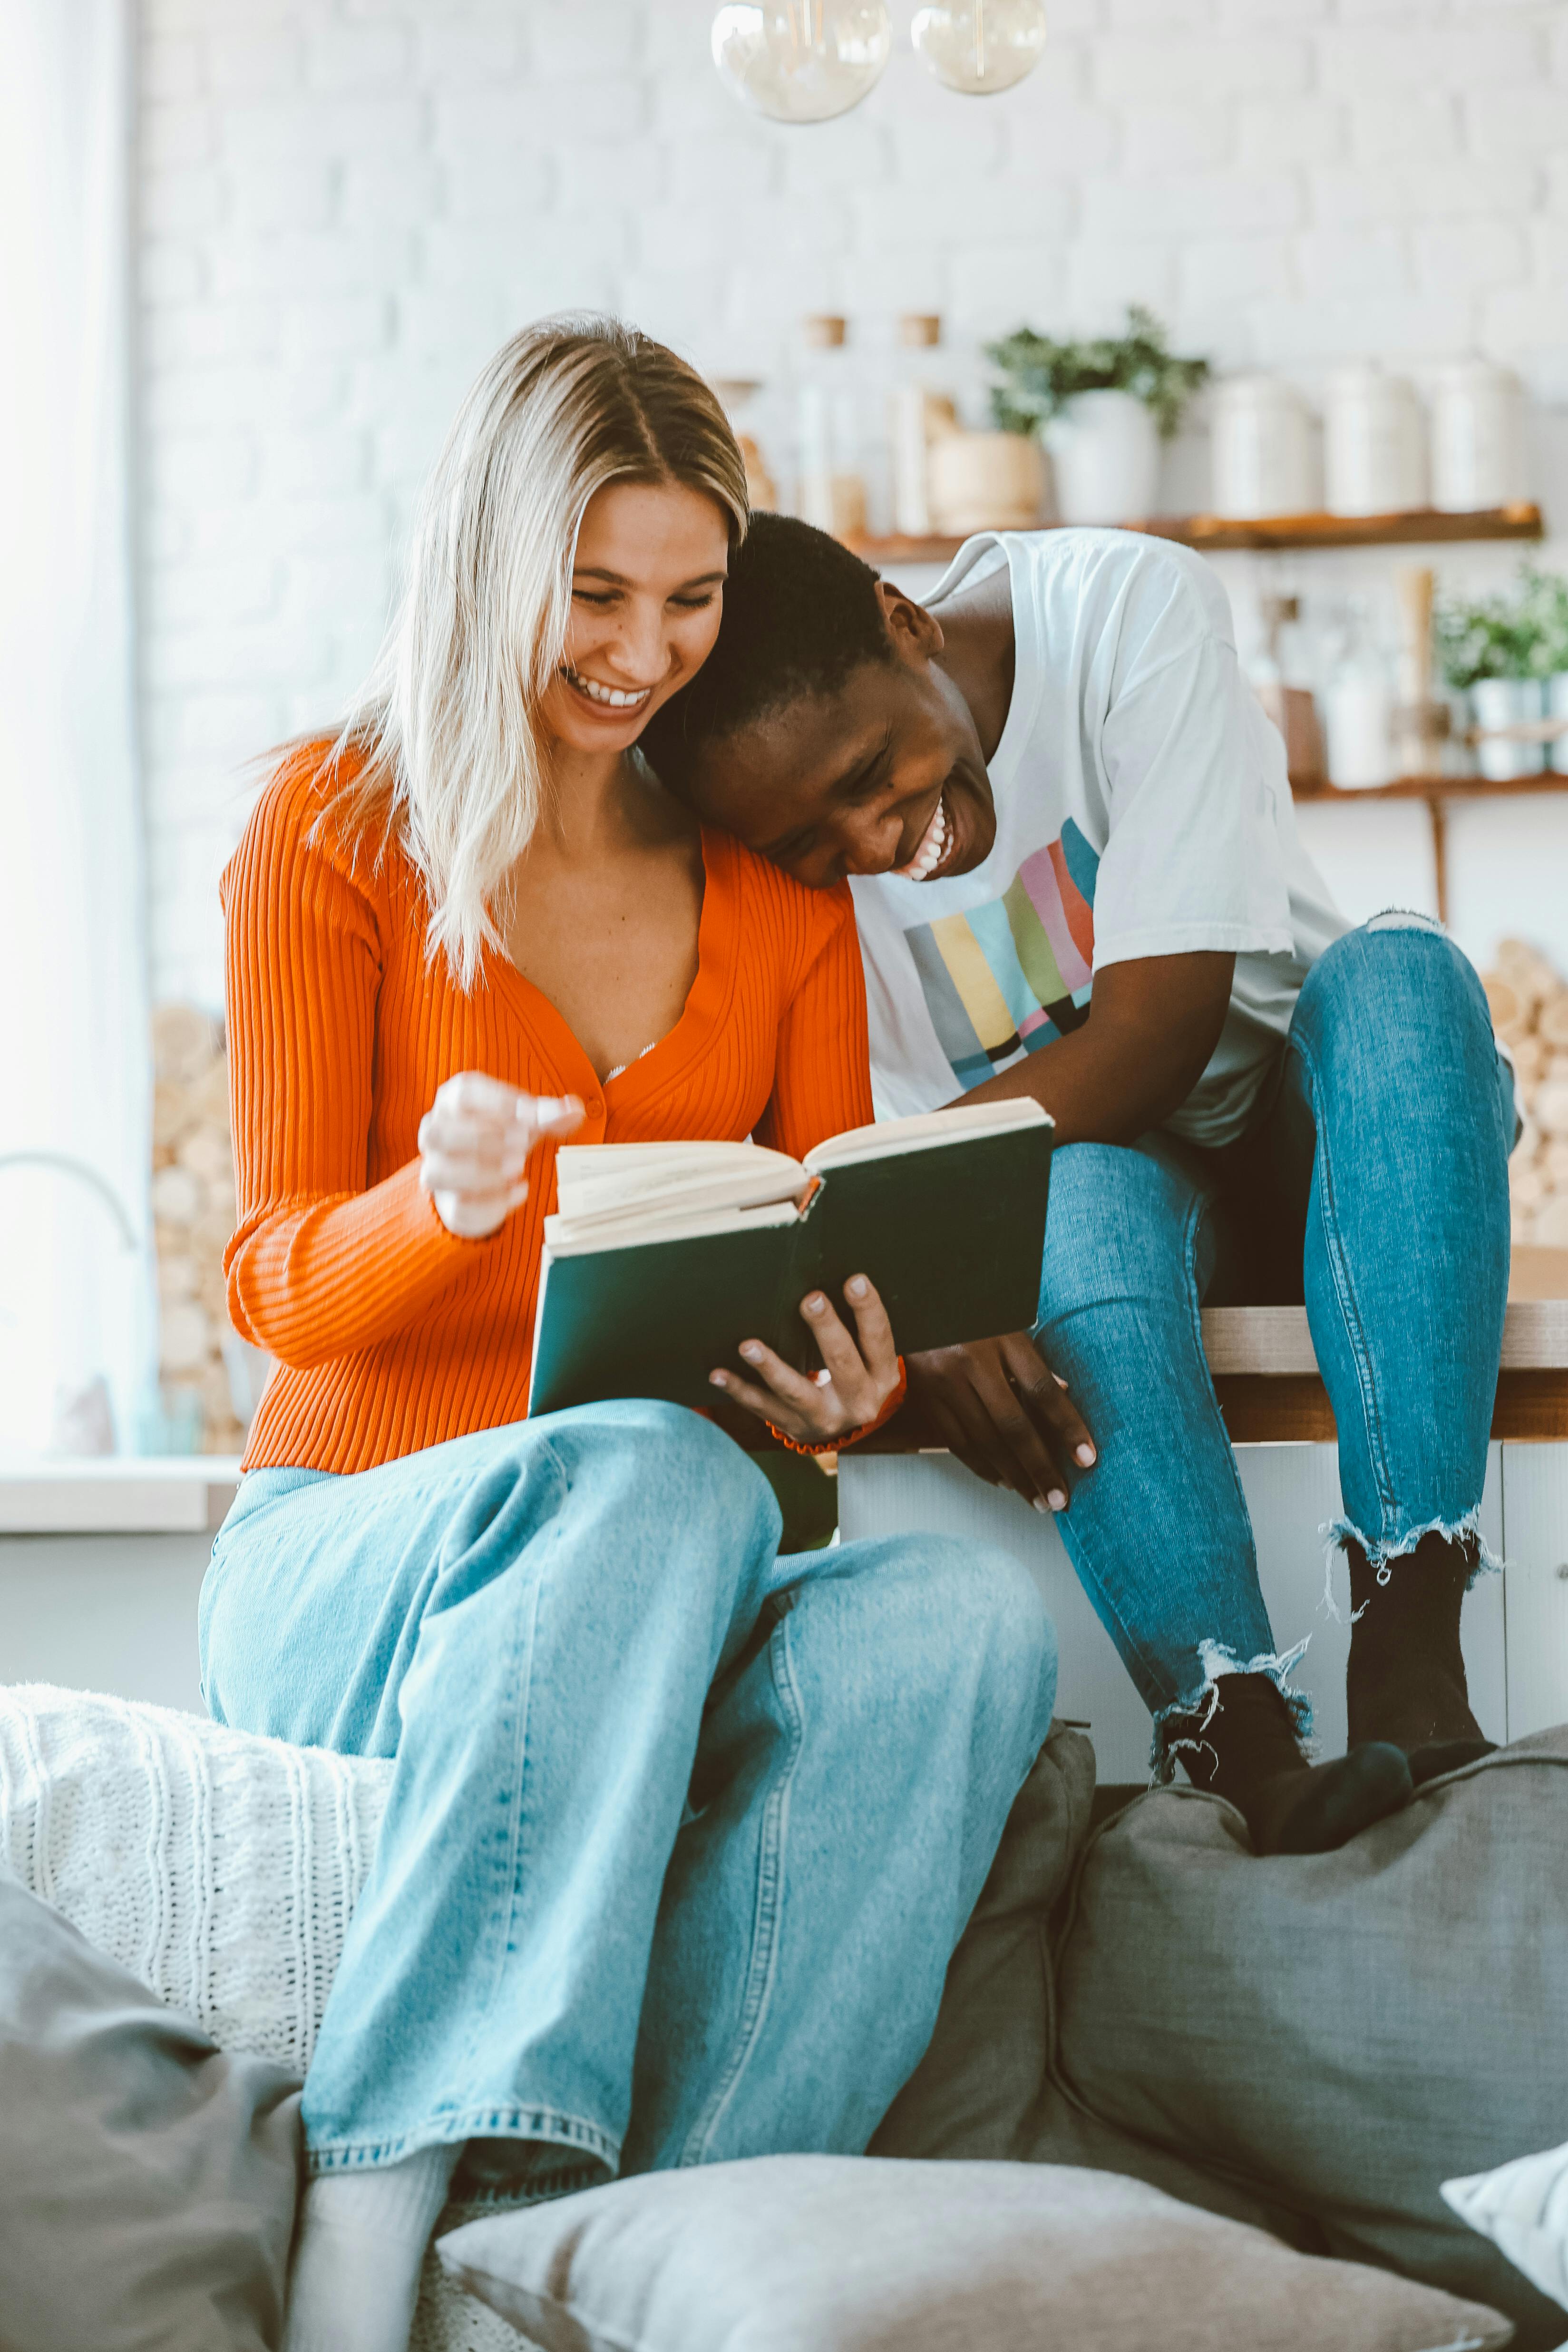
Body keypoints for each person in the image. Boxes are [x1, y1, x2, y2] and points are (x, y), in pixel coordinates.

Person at [204, 328, 1057, 2352]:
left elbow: (814, 1227)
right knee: (649, 1469)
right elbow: (268, 1281)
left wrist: (852, 1384)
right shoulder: (331, 828)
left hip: (665, 1553)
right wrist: (449, 1203)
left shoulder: (769, 890)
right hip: (356, 1553)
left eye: (688, 599)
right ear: (496, 561)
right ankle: (395, 2190)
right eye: (598, 595)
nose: (643, 651)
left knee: (964, 1629)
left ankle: (642, 2259)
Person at [642, 511, 1515, 1859]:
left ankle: (1409, 1633)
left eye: (875, 768)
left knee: (1404, 973)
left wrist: (891, 1212)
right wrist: (910, 1257)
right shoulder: (777, 865)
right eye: (821, 844)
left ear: (906, 622)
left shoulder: (1122, 608)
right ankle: (1233, 1730)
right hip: (1109, 1215)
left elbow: (1160, 1032)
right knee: (1079, 1191)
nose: (878, 839)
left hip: (1327, 1159)